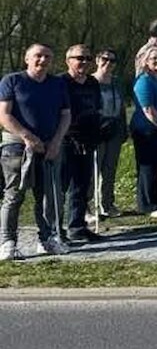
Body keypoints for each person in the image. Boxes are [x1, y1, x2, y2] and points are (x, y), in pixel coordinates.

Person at [0, 44, 72, 260]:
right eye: (38, 56)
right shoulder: (12, 81)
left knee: (48, 195)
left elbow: (65, 114)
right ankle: (8, 243)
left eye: (47, 56)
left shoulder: (57, 83)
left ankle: (47, 239)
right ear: (27, 59)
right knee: (14, 195)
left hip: (49, 147)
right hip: (17, 147)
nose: (42, 60)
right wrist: (28, 137)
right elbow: (4, 115)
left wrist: (56, 142)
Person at [60, 44, 104, 243]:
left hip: (88, 139)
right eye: (79, 58)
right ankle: (54, 228)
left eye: (87, 58)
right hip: (67, 139)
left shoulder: (92, 83)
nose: (84, 62)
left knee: (81, 185)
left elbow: (97, 107)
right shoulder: (61, 82)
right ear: (68, 60)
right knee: (61, 187)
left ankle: (77, 226)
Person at [130, 47, 157, 218]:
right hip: (147, 130)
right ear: (146, 61)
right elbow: (148, 109)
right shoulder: (144, 81)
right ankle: (146, 204)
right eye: (154, 58)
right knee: (147, 168)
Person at [92, 50, 127, 218]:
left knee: (109, 170)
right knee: (93, 170)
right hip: (96, 131)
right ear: (98, 60)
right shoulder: (91, 82)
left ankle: (107, 203)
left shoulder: (117, 83)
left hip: (114, 129)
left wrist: (123, 129)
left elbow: (122, 108)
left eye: (112, 61)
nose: (108, 63)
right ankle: (87, 207)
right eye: (105, 59)